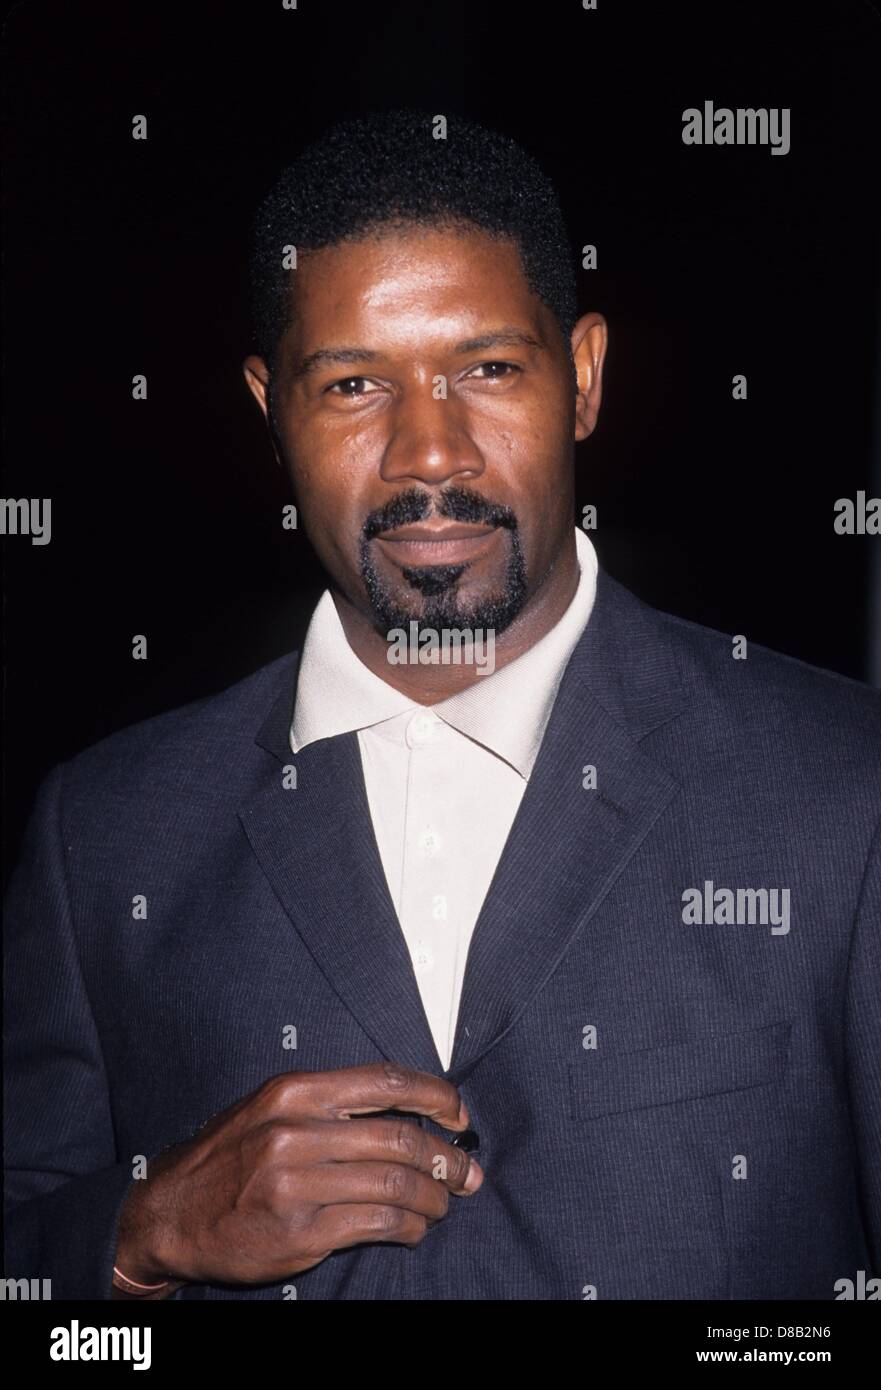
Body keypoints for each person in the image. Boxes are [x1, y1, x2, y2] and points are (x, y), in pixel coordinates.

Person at [5, 109, 880, 1301]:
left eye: (485, 369)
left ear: (581, 378)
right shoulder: (102, 837)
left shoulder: (841, 790)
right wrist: (131, 1239)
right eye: (356, 382)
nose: (429, 452)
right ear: (272, 408)